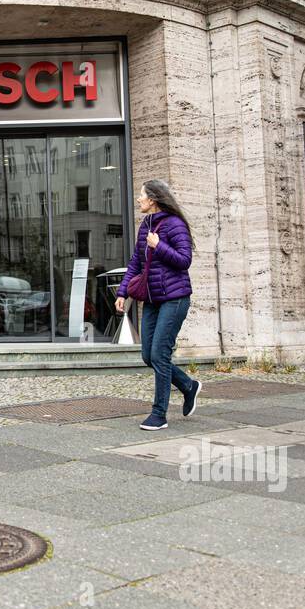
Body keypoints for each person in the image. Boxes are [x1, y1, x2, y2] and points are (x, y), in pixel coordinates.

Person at [115, 179, 202, 431]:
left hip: (175, 299)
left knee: (160, 355)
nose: (139, 199)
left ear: (153, 199)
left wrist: (159, 246)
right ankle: (188, 386)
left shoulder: (175, 224)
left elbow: (184, 260)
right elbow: (135, 264)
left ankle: (159, 414)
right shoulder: (145, 226)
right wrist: (123, 293)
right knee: (147, 355)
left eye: (142, 196)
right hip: (151, 299)